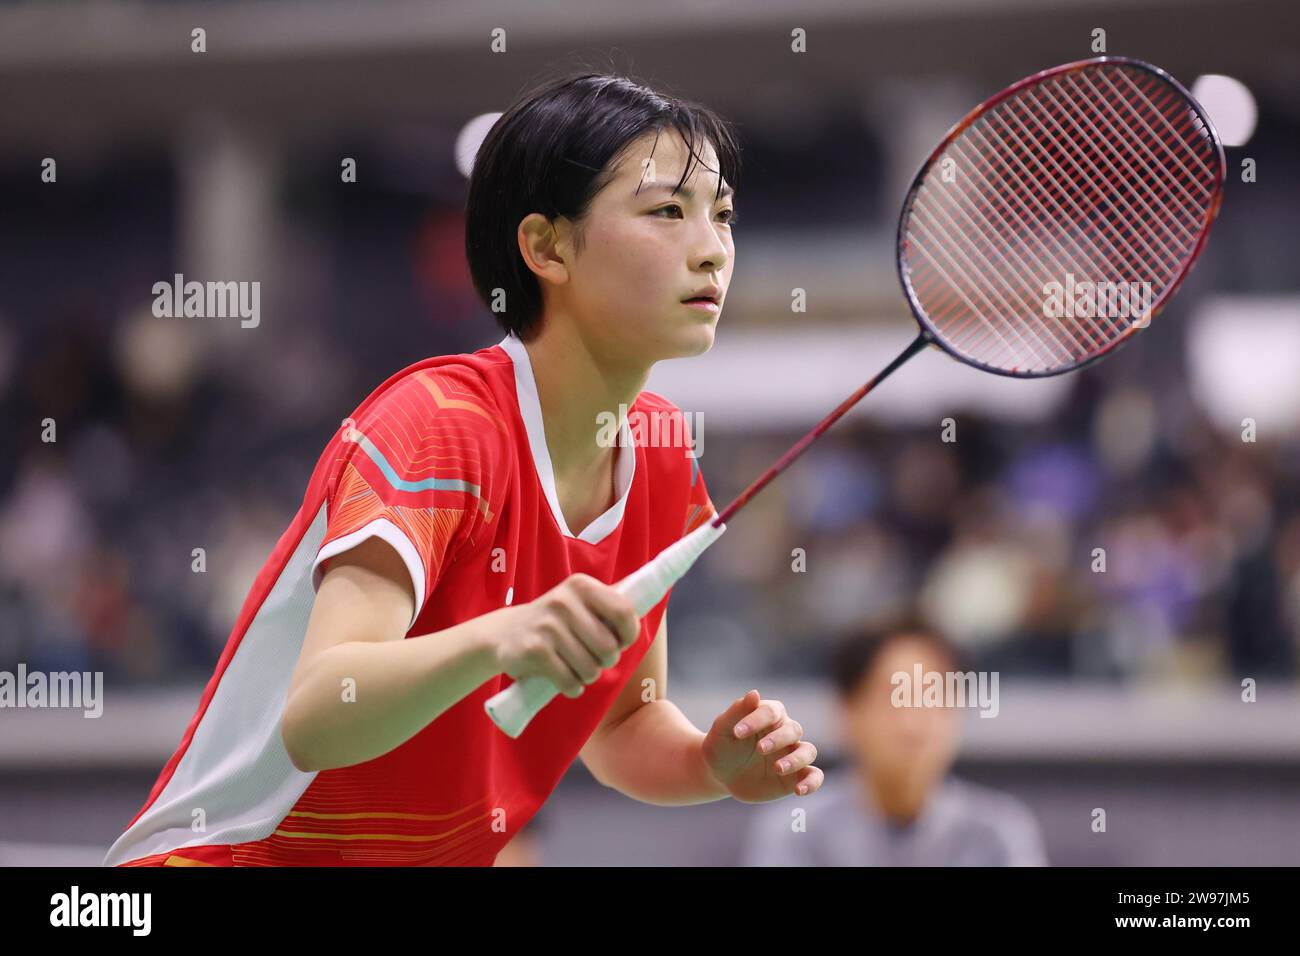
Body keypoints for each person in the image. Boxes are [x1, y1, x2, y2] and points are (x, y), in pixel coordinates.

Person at [104, 70, 822, 867]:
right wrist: (503, 636)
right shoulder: (441, 427)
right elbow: (319, 714)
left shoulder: (659, 453)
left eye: (721, 215)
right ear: (546, 245)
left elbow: (619, 725)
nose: (712, 249)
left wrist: (709, 766)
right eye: (666, 212)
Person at [739, 613, 1046, 866]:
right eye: (894, 697)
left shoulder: (999, 832)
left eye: (933, 696)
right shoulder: (794, 831)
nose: (913, 724)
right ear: (847, 711)